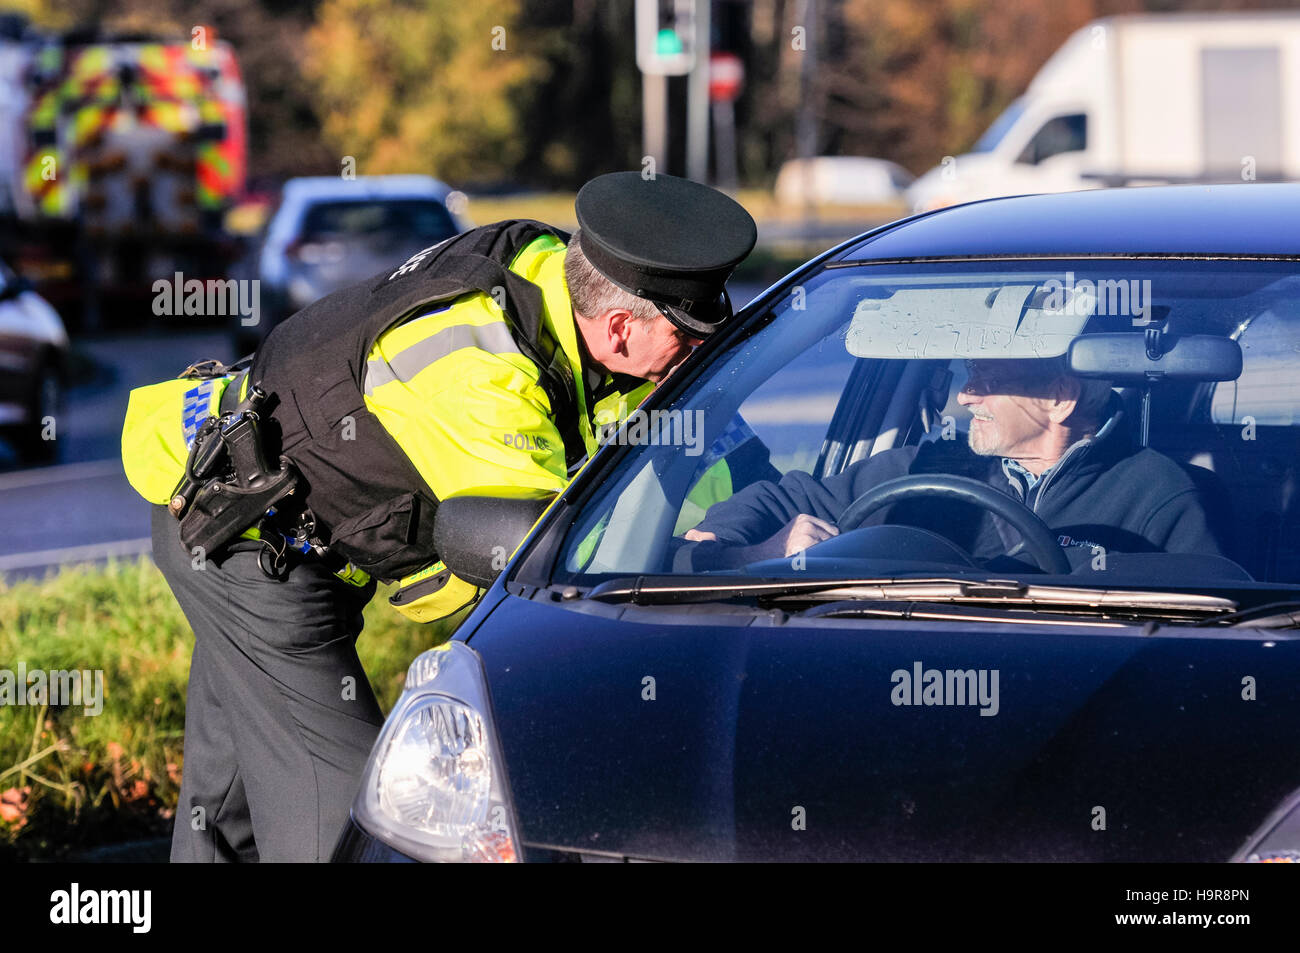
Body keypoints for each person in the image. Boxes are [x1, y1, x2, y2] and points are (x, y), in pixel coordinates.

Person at [123, 171, 757, 861]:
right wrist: (708, 556)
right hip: (246, 539)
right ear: (618, 328)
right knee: (343, 817)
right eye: (686, 339)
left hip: (280, 525)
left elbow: (704, 453)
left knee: (225, 806)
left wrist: (776, 511)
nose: (696, 357)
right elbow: (545, 558)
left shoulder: (562, 273)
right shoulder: (482, 372)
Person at [679, 356, 1224, 571]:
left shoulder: (1163, 494)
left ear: (1060, 398)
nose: (965, 397)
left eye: (987, 379)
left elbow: (1212, 624)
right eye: (967, 376)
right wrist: (738, 547)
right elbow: (786, 497)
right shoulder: (926, 466)